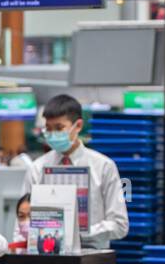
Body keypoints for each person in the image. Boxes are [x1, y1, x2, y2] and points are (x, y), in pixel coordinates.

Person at [22, 94, 129, 249]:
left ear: (78, 126)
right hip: (47, 254)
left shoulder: (104, 167)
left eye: (59, 128)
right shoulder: (37, 169)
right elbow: (23, 219)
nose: (52, 134)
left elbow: (120, 225)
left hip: (93, 254)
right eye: (48, 129)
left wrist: (79, 233)